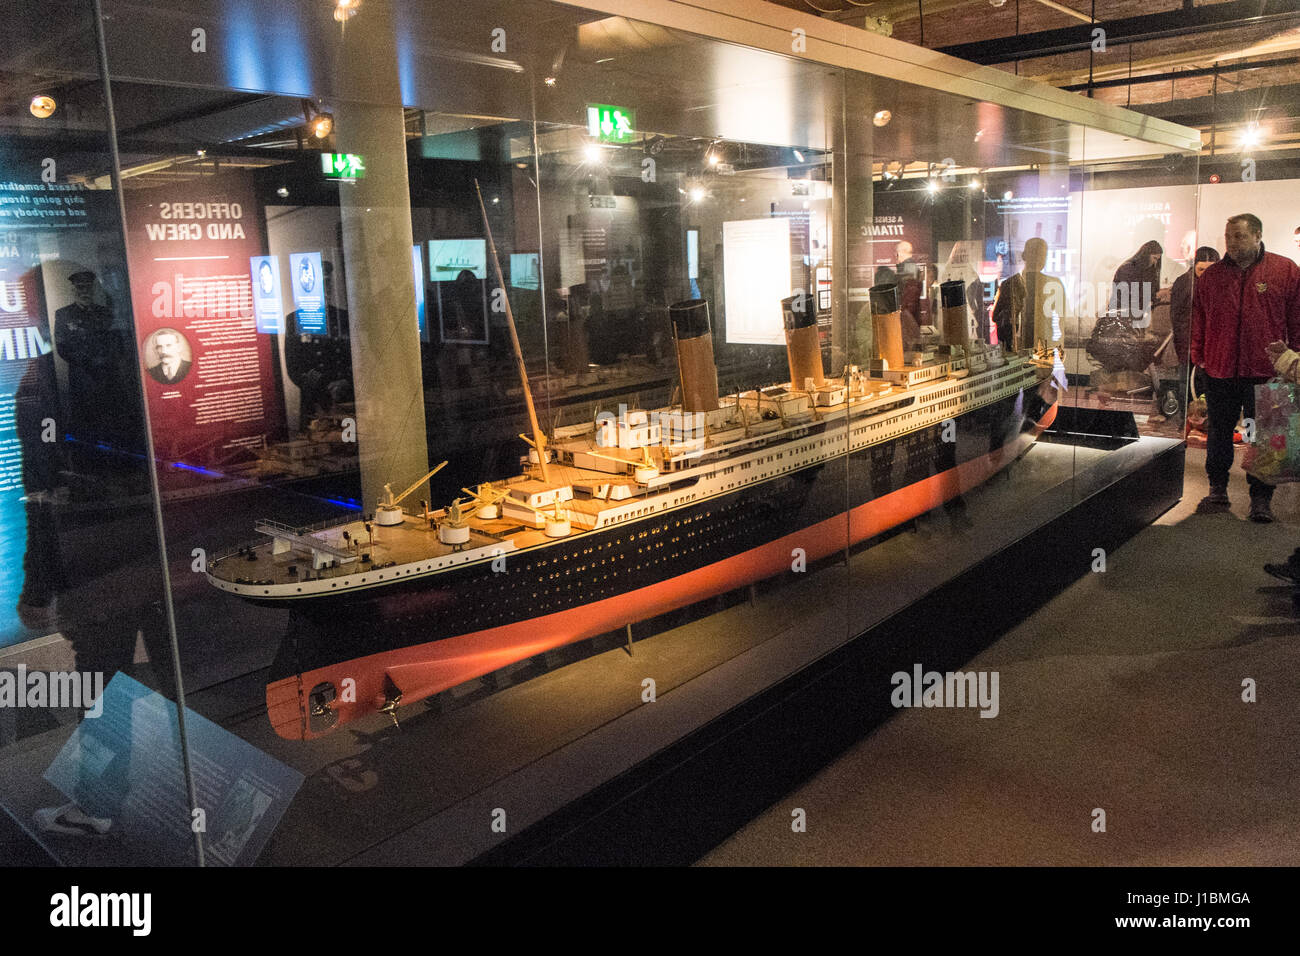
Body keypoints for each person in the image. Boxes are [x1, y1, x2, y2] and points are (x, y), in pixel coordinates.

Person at [1192, 213, 1300, 521]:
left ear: (1257, 235)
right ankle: (1217, 489)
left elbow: (1297, 318)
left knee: (1263, 436)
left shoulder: (1285, 271)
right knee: (1219, 432)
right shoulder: (1211, 277)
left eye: (1239, 236)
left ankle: (1260, 499)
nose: (1232, 242)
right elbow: (1199, 318)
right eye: (1228, 237)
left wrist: (1294, 360)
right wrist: (1198, 353)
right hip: (1220, 369)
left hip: (1267, 372)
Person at [991, 237, 1066, 351]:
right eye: (1035, 253)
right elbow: (996, 317)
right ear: (1024, 255)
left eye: (1042, 255)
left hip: (1041, 350)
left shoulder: (1054, 284)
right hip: (1020, 350)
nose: (1038, 259)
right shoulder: (1009, 284)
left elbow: (1061, 322)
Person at [1170, 247, 1220, 365]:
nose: (1206, 274)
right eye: (1201, 269)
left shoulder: (1221, 283)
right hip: (1190, 344)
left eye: (1210, 269)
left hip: (1212, 344)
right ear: (1194, 267)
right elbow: (1177, 319)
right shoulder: (1185, 282)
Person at [1109, 240, 1164, 323]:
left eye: (1157, 259)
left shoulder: (1147, 270)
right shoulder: (1127, 268)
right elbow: (1130, 296)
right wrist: (1155, 295)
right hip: (1121, 315)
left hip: (1135, 315)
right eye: (1154, 258)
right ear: (1146, 255)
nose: (1155, 263)